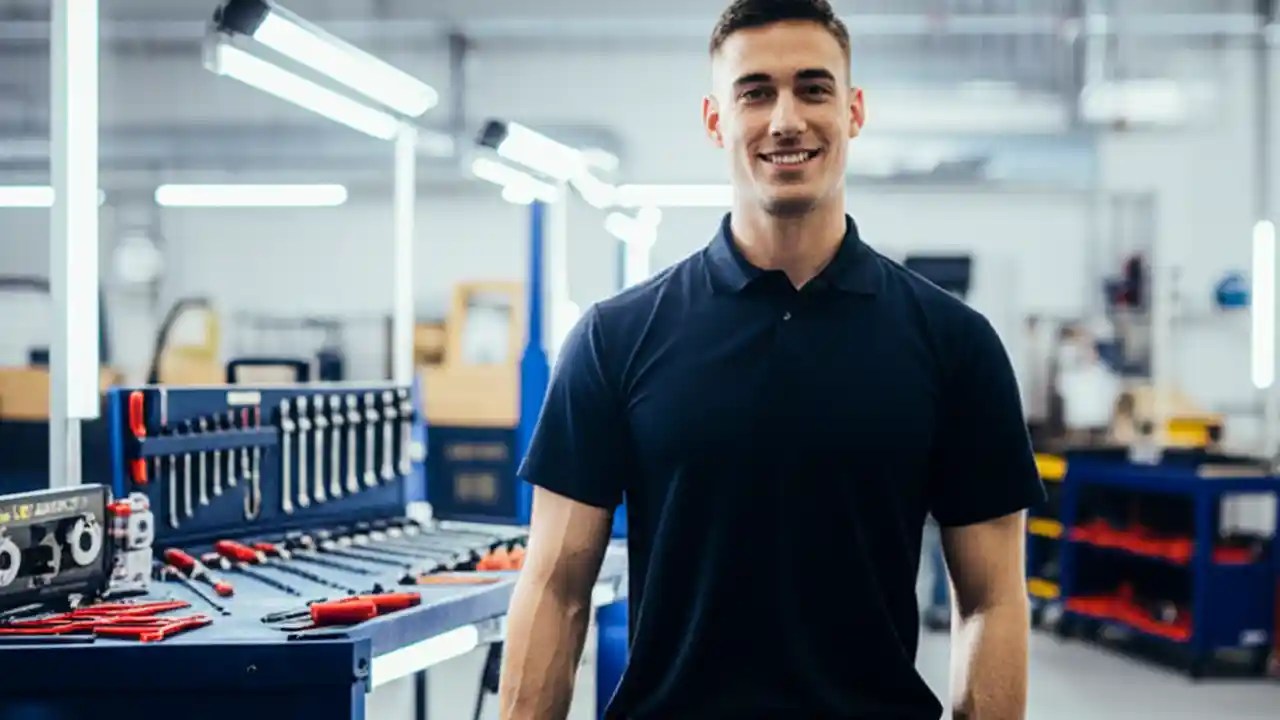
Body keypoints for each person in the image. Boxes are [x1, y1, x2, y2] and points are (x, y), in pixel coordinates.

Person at [498, 1, 1046, 718]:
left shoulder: (954, 344)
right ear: (715, 120)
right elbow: (555, 592)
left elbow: (993, 600)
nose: (786, 119)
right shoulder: (616, 338)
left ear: (853, 111)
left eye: (813, 89)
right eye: (755, 92)